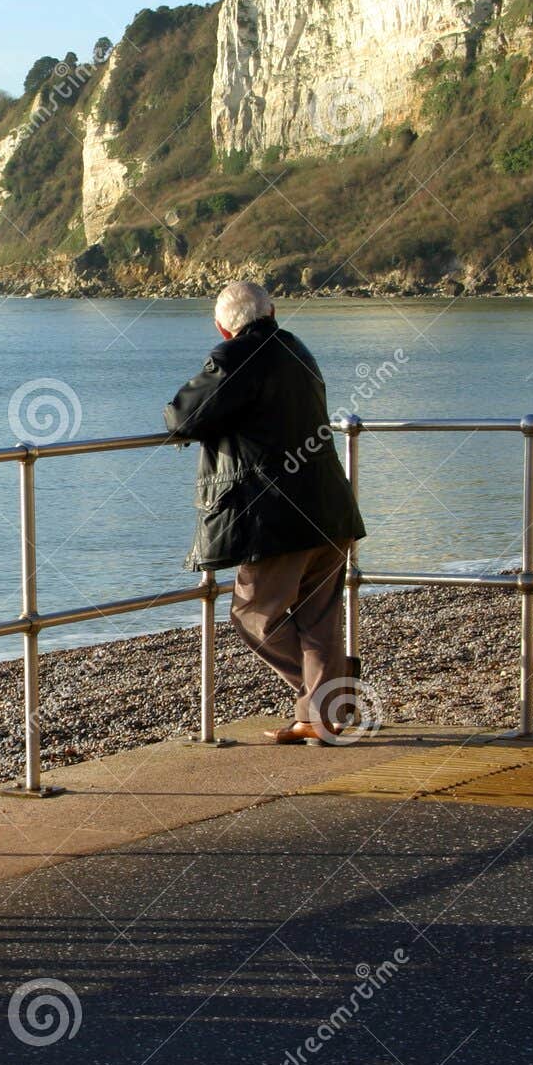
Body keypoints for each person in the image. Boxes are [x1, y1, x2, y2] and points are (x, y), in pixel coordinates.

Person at [164, 281, 367, 744]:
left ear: (221, 326)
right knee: (319, 620)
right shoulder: (300, 352)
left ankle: (325, 704)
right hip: (331, 507)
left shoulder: (235, 357)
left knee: (252, 615)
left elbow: (182, 417)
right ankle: (321, 715)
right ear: (272, 310)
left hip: (278, 519)